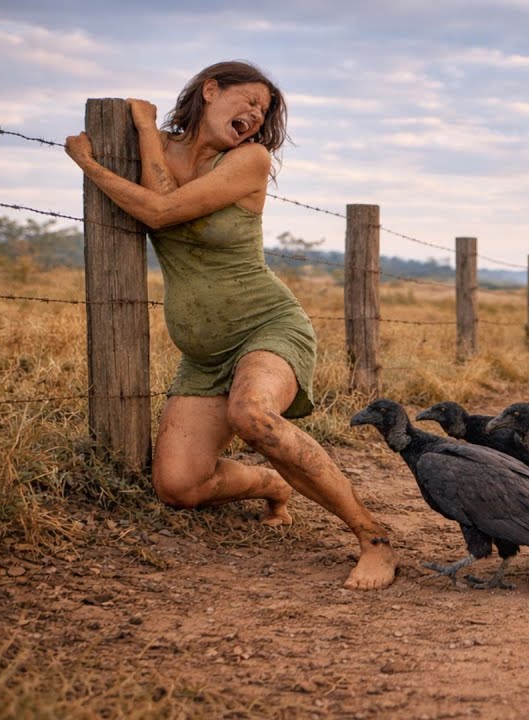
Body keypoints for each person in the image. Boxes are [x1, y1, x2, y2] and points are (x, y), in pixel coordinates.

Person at [65, 60, 398, 590]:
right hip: (204, 358)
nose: (256, 115)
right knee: (178, 486)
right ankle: (270, 484)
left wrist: (90, 163)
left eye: (263, 112)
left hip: (266, 328)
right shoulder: (160, 152)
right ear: (210, 90)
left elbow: (160, 212)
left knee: (252, 414)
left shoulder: (248, 159)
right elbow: (161, 192)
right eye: (249, 101)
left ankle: (373, 539)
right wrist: (150, 134)